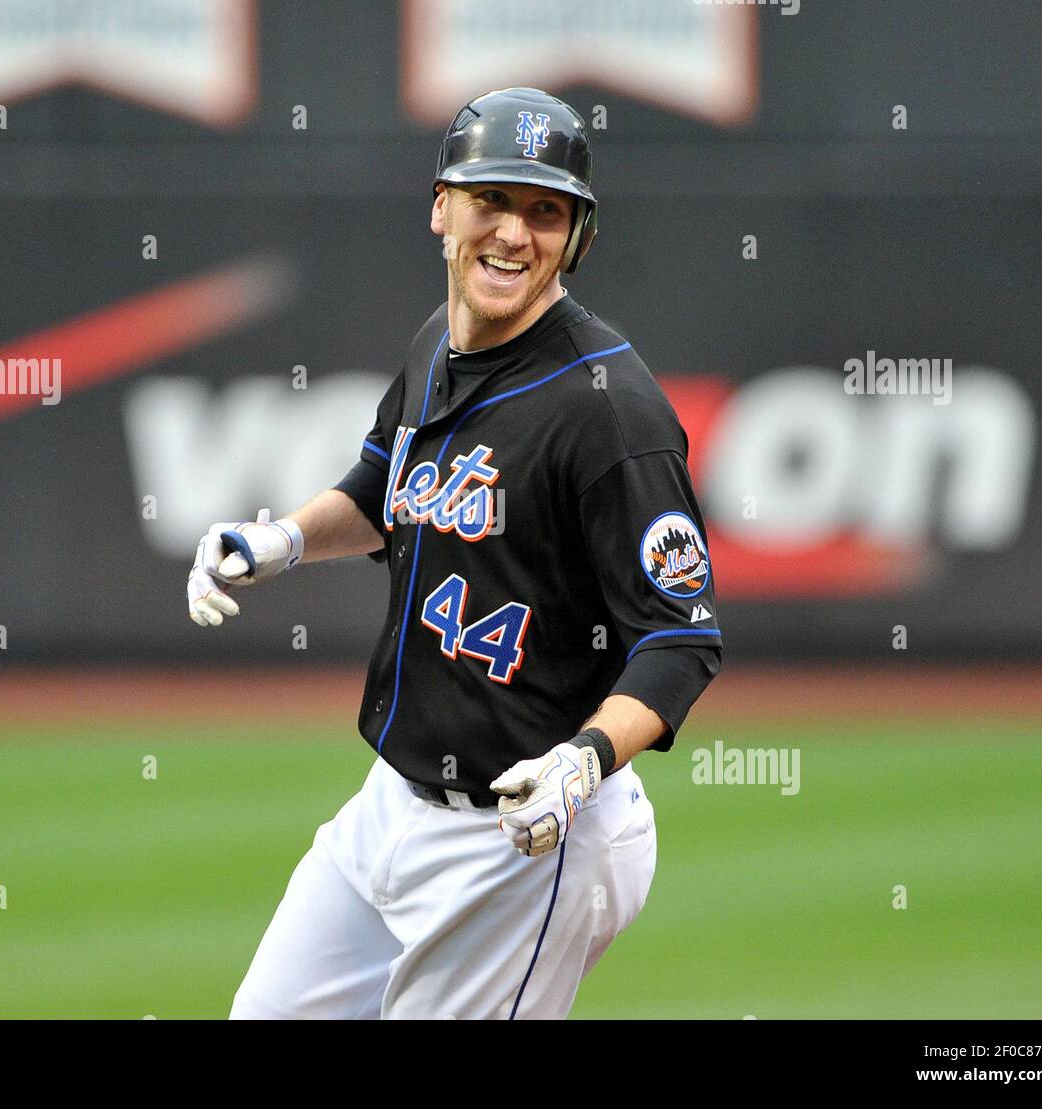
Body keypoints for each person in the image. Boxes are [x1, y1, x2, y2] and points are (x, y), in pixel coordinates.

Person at [187, 87, 722, 1020]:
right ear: (443, 207)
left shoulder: (611, 411)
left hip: (523, 838)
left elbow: (681, 639)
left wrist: (585, 761)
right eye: (493, 200)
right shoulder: (440, 343)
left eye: (545, 211)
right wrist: (277, 541)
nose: (515, 233)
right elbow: (382, 484)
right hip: (390, 807)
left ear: (578, 236)